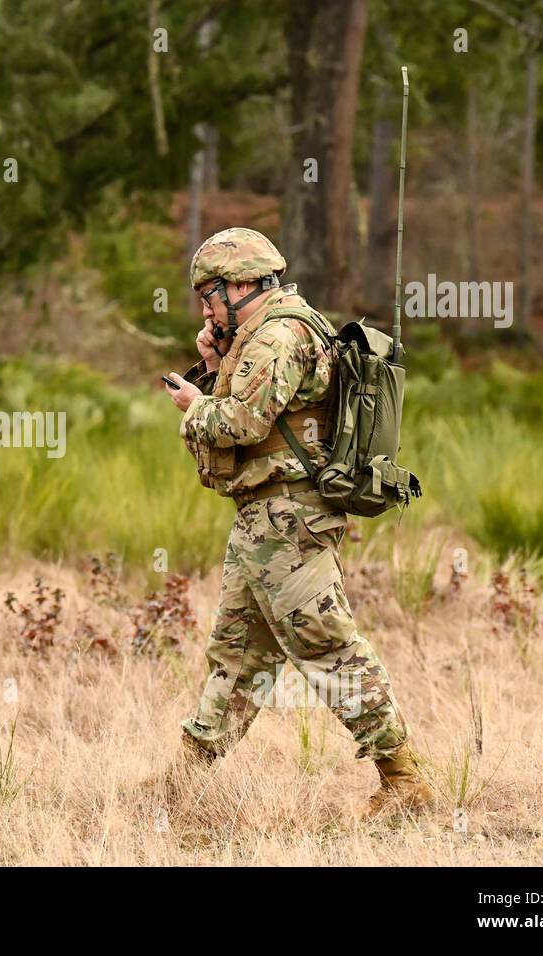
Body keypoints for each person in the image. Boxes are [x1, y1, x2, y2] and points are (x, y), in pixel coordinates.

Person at [162, 227, 431, 816]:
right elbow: (254, 412)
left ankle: (404, 781)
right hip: (266, 519)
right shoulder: (261, 335)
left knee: (326, 647)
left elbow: (239, 427)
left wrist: (193, 404)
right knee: (238, 656)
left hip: (290, 519)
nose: (206, 308)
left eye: (209, 294)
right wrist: (214, 363)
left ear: (238, 287)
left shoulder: (278, 336)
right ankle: (182, 785)